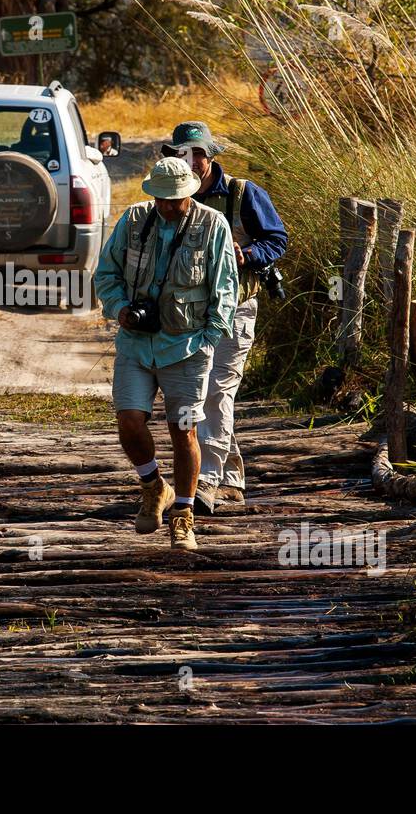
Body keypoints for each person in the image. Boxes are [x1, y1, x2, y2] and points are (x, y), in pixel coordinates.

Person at [94, 156, 237, 550]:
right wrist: (119, 307)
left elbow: (225, 289)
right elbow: (105, 273)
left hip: (187, 349)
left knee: (184, 430)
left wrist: (209, 341)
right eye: (162, 198)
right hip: (136, 346)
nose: (169, 206)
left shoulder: (212, 225)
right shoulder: (134, 220)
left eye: (176, 199)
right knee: (129, 422)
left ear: (190, 192)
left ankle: (184, 517)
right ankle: (154, 486)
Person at [161, 121, 288, 513]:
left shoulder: (242, 193)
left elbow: (277, 239)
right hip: (189, 315)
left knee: (217, 390)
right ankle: (232, 478)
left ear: (211, 155)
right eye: (184, 153)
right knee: (199, 393)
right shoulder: (169, 194)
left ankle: (206, 481)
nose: (192, 160)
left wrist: (246, 255)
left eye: (198, 153)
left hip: (236, 310)